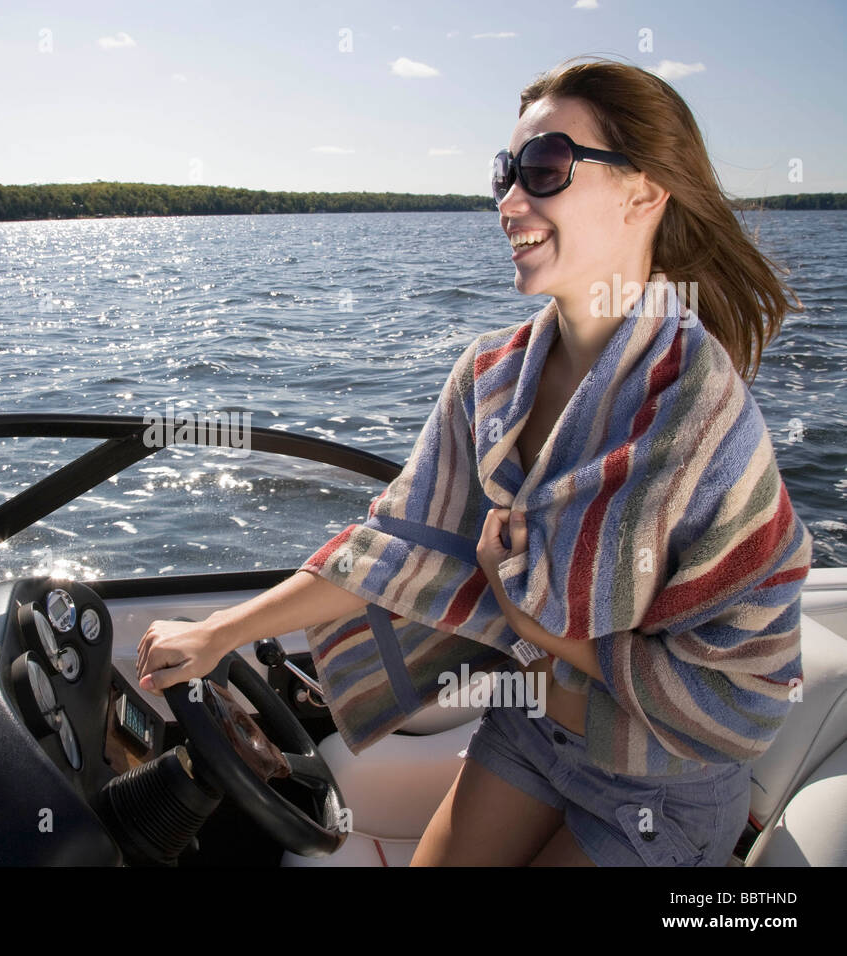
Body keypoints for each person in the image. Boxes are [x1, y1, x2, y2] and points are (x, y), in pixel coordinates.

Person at [134, 56, 808, 866]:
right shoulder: (490, 376)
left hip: (665, 779)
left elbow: (735, 683)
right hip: (537, 731)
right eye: (504, 174)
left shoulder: (695, 403)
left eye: (546, 168)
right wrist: (219, 633)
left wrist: (525, 620)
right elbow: (394, 547)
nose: (510, 202)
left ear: (644, 190)